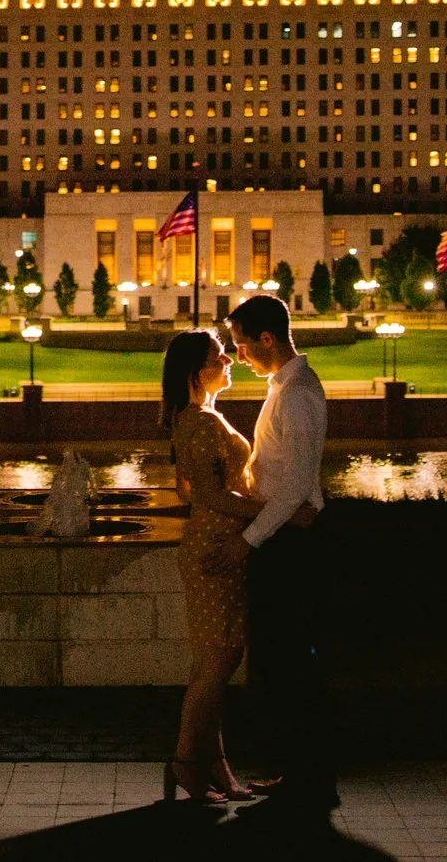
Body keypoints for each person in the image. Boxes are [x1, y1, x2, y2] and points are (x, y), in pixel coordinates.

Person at [226, 293, 335, 813]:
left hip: (285, 543)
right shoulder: (284, 388)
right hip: (279, 534)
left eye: (241, 344)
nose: (238, 355)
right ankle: (300, 773)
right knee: (284, 661)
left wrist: (248, 540)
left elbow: (295, 487)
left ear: (267, 338)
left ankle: (310, 780)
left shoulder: (297, 395)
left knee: (292, 662)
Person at [159, 328, 271, 806]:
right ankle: (187, 762)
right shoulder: (200, 422)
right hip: (214, 549)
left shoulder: (202, 417)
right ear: (195, 371)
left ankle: (215, 765)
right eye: (217, 354)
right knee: (218, 663)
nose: (228, 358)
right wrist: (273, 511)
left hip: (219, 544)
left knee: (213, 663)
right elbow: (206, 494)